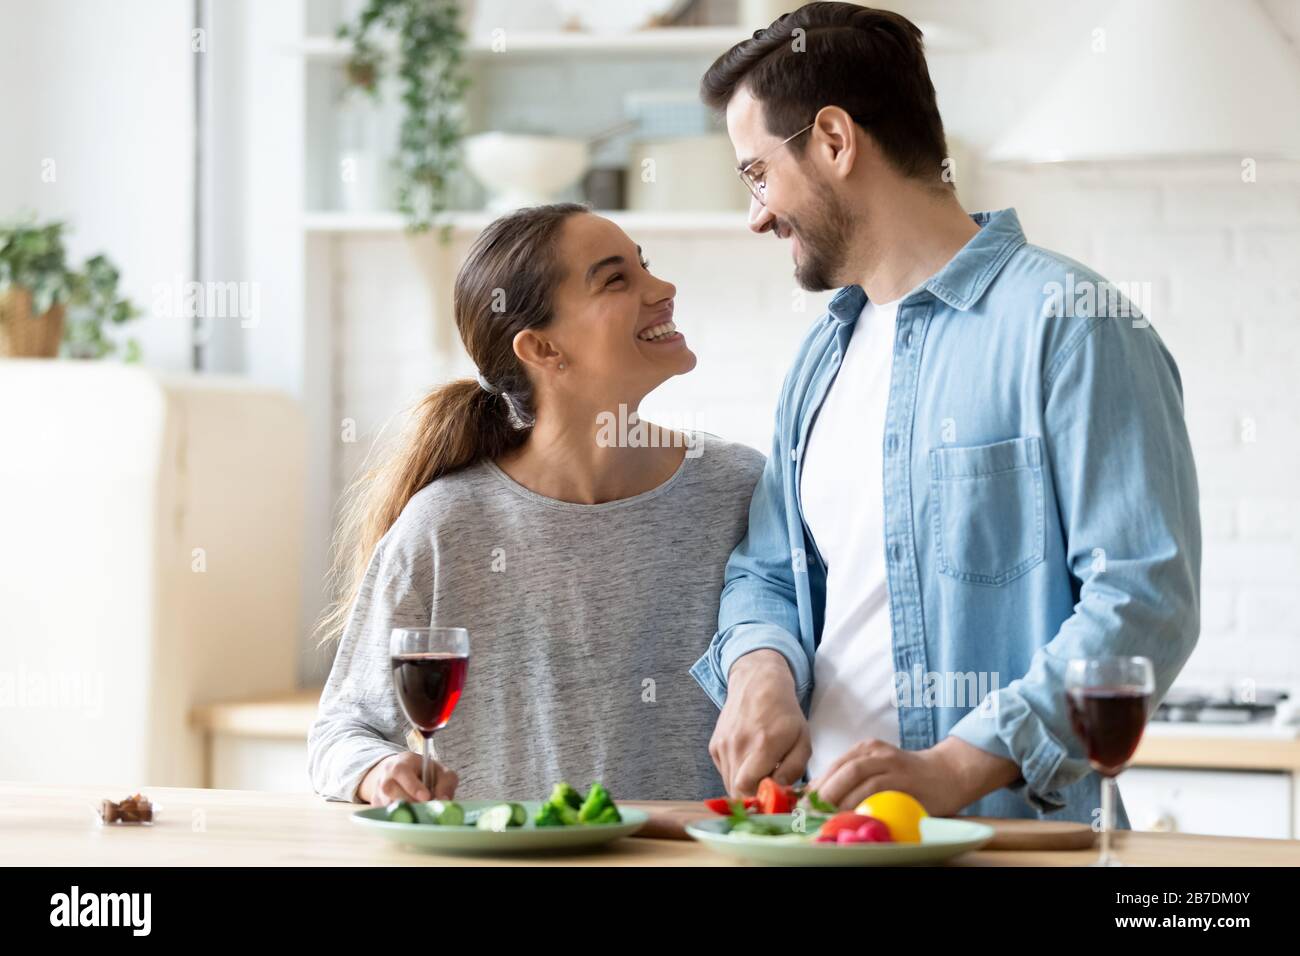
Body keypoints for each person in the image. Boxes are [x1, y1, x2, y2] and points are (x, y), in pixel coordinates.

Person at [691, 3, 1200, 824]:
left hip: (1007, 844)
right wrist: (759, 668)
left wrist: (958, 767)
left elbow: (1142, 603)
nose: (756, 213)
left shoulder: (1070, 323)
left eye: (756, 173)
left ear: (833, 139)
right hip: (824, 838)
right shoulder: (820, 360)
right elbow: (770, 571)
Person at [308, 203, 764, 805]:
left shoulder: (738, 487)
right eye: (617, 279)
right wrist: (378, 772)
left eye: (643, 265)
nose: (664, 289)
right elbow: (342, 731)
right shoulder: (448, 526)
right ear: (543, 349)